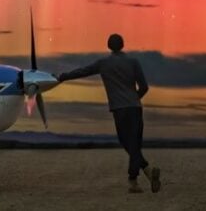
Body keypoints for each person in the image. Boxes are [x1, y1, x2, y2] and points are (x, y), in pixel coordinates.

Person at [57, 33, 161, 193]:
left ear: (108, 46)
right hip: (135, 107)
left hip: (119, 109)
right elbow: (144, 87)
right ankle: (141, 176)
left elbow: (83, 71)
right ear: (123, 45)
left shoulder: (104, 63)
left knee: (127, 143)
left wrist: (63, 77)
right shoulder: (133, 62)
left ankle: (136, 180)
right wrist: (134, 98)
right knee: (134, 144)